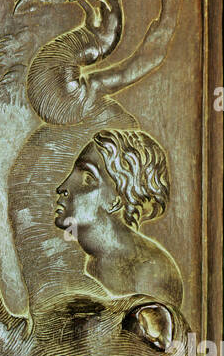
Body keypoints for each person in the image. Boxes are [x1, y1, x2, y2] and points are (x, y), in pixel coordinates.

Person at [54, 128, 182, 305]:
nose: (62, 187)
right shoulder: (87, 264)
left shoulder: (150, 272)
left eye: (87, 178)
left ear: (115, 200)